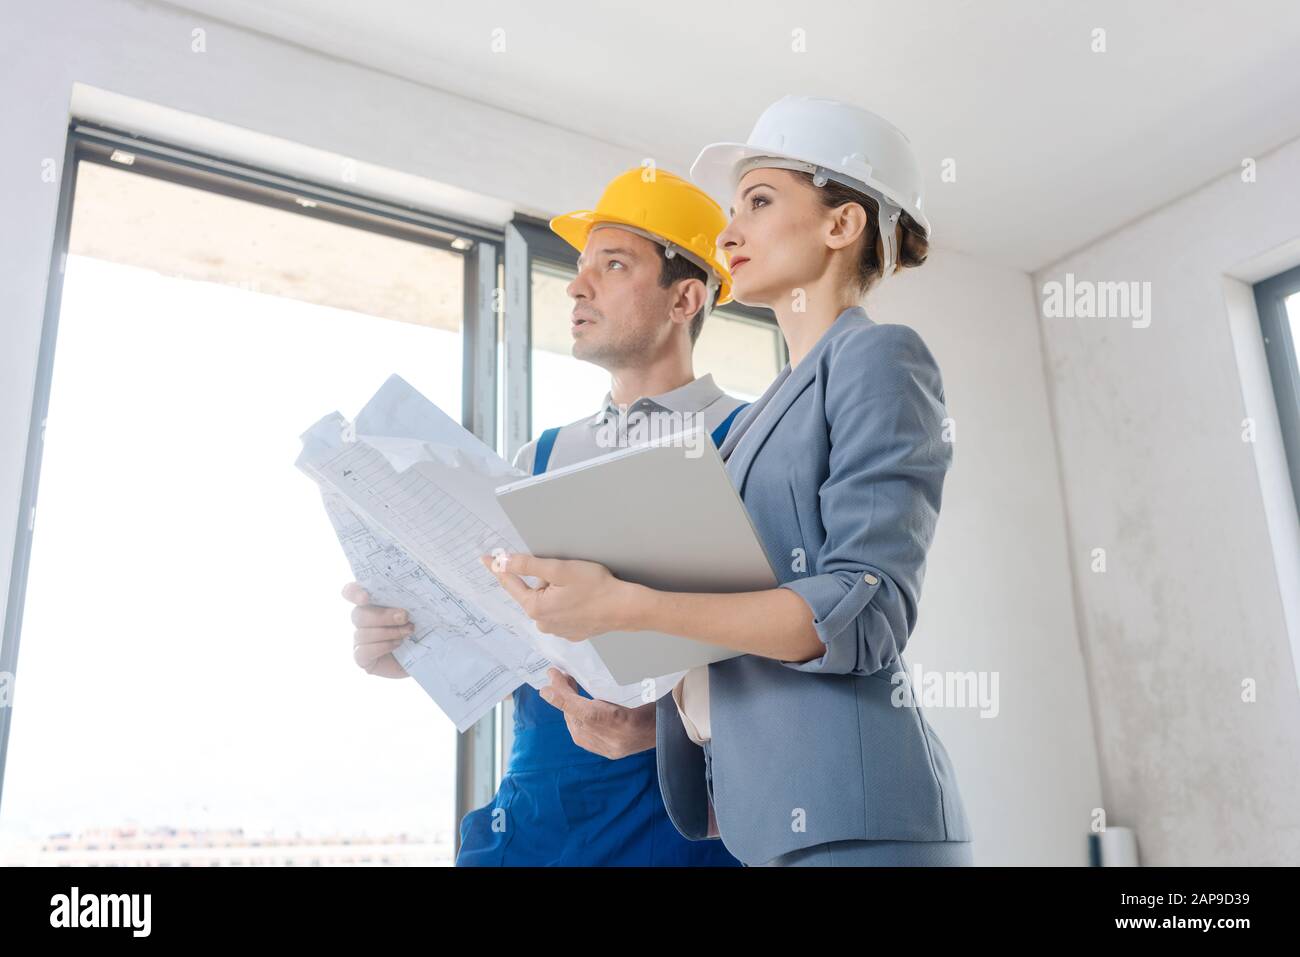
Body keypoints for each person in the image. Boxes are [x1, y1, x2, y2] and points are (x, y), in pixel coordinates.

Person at [483, 96, 974, 866]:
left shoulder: (880, 357)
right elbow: (741, 626)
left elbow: (862, 614)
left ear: (841, 225)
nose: (729, 231)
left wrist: (630, 604)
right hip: (764, 816)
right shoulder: (759, 418)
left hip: (858, 816)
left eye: (759, 201)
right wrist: (660, 721)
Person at [345, 167, 744, 866]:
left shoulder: (753, 441)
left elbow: (800, 645)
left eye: (612, 265)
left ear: (685, 296)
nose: (576, 286)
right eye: (580, 267)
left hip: (679, 819)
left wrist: (666, 725)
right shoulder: (542, 455)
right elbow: (505, 631)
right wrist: (402, 643)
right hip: (534, 811)